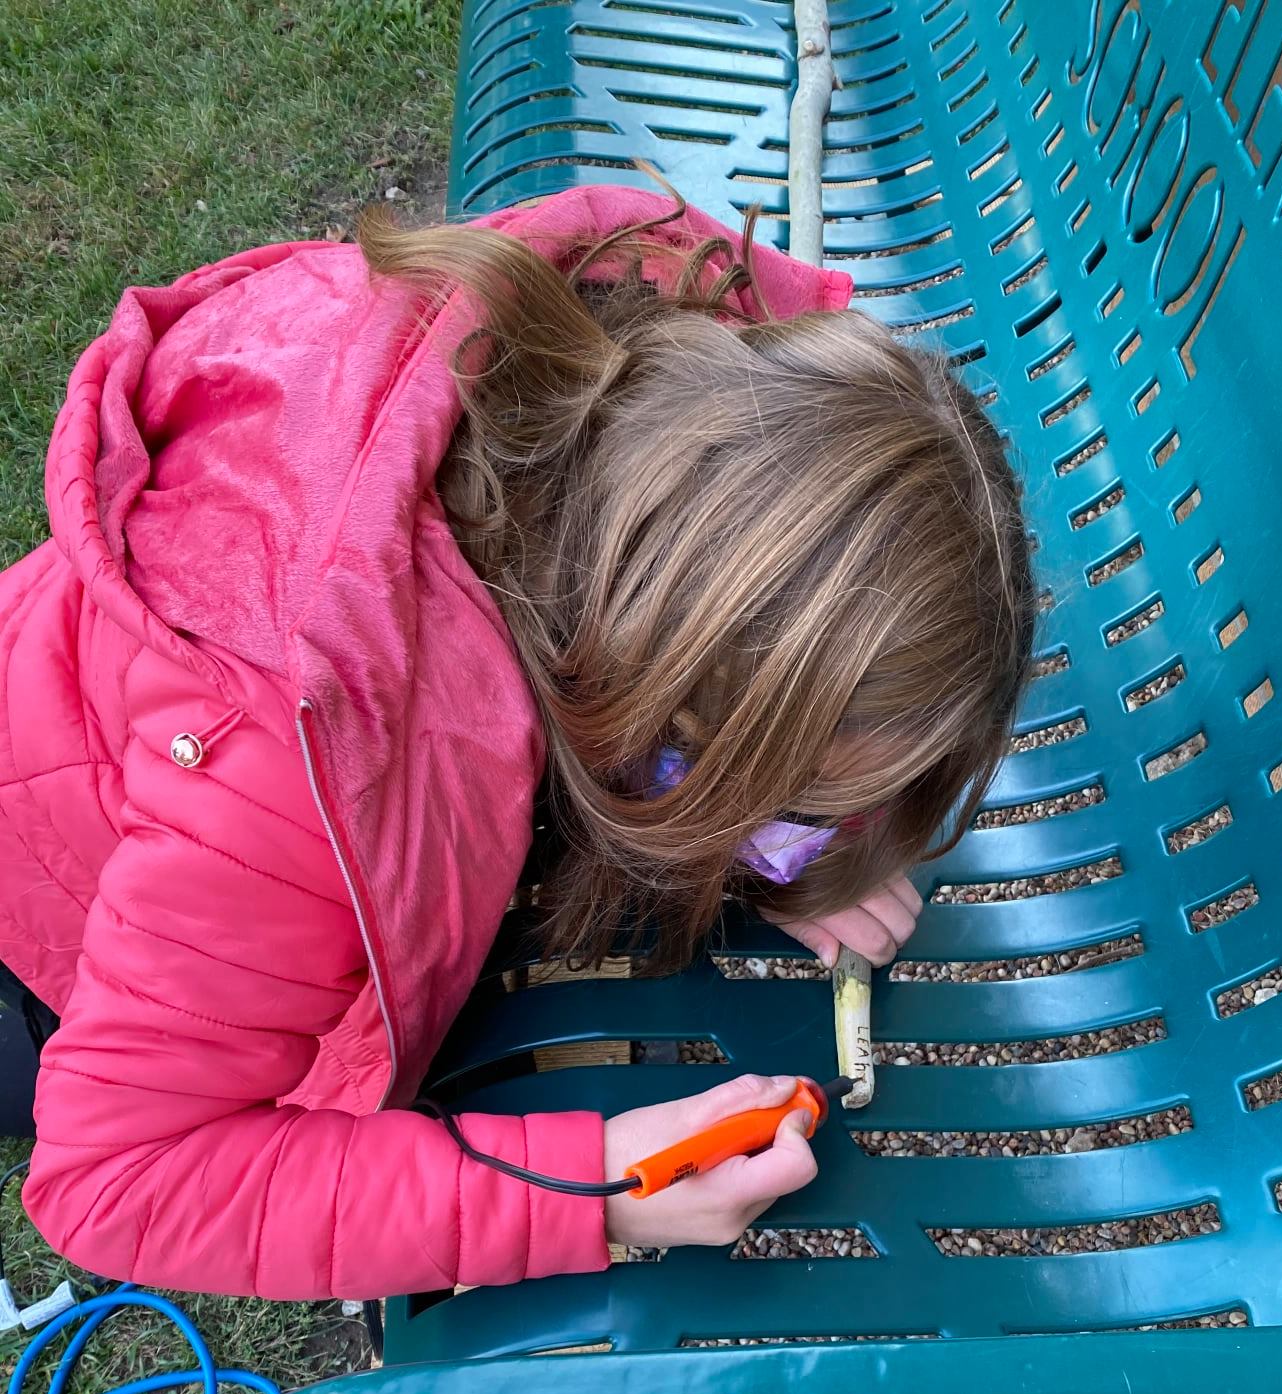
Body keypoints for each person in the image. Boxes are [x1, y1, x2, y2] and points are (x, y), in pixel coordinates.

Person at [0, 185, 1035, 1300]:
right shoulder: (300, 762)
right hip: (39, 932)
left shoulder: (665, 371)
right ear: (668, 698)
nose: (816, 826)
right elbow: (125, 1177)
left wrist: (769, 846)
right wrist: (597, 1189)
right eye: (786, 791)